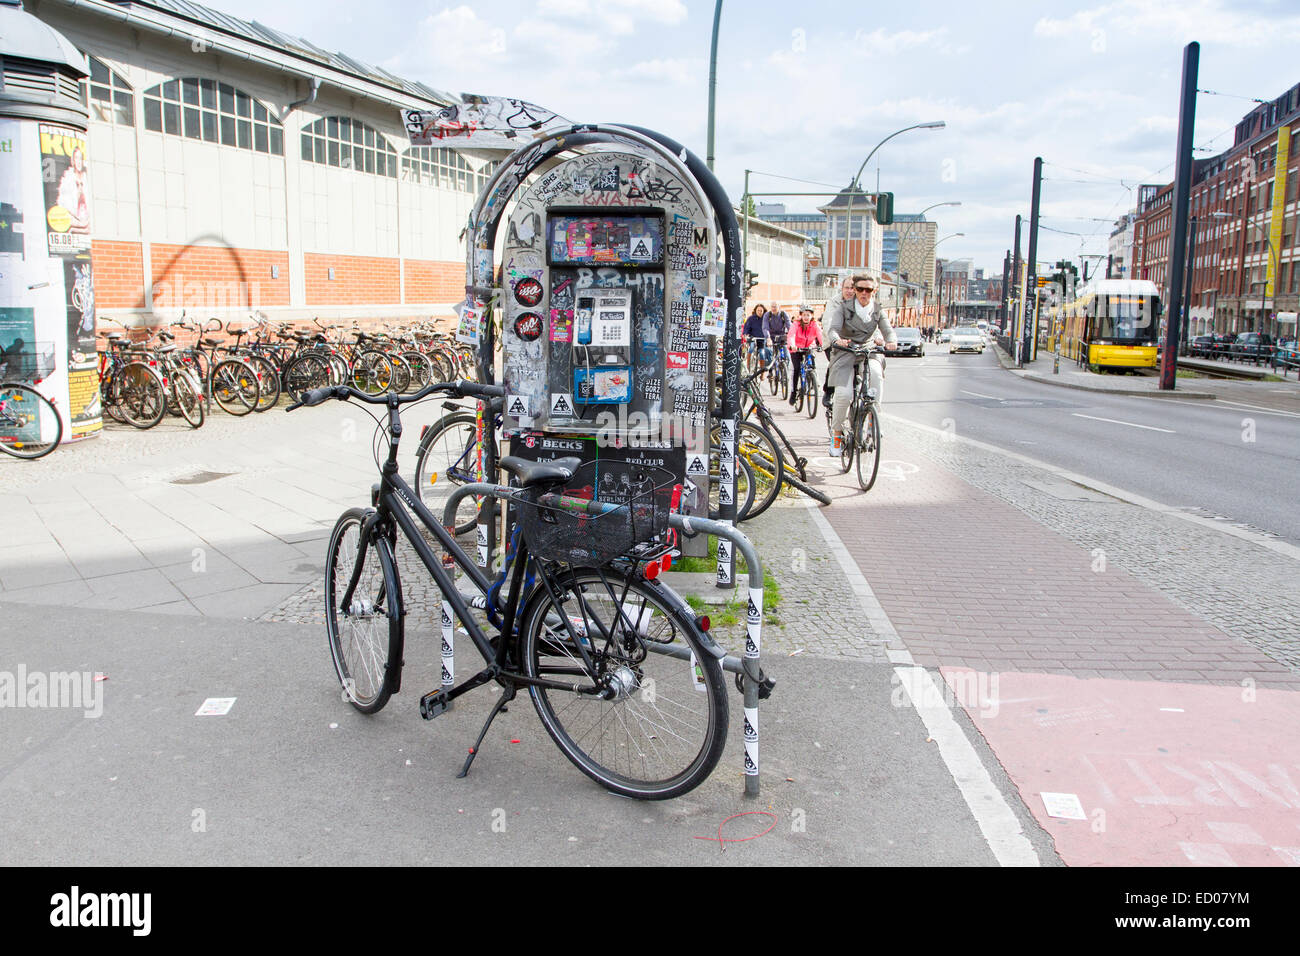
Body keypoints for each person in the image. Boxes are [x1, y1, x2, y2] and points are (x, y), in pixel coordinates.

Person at [824, 275, 896, 456]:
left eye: (869, 290)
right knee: (844, 394)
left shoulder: (878, 310)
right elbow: (832, 328)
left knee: (876, 374)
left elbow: (887, 329)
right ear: (855, 290)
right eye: (861, 289)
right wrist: (836, 340)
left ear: (874, 291)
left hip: (868, 351)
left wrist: (891, 341)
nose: (864, 293)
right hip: (846, 352)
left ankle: (873, 418)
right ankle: (837, 434)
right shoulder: (843, 308)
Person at [789, 305, 823, 405]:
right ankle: (794, 392)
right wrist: (792, 345)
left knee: (811, 362)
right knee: (797, 369)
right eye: (804, 315)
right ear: (801, 316)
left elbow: (820, 335)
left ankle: (813, 379)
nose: (806, 317)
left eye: (808, 315)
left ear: (811, 316)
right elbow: (791, 335)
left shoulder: (815, 325)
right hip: (796, 349)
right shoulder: (796, 324)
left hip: (809, 347)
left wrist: (823, 345)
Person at [742, 303, 769, 368]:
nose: (759, 312)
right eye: (758, 310)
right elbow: (746, 327)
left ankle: (762, 373)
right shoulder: (751, 318)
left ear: (764, 311)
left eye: (761, 310)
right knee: (751, 349)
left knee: (762, 354)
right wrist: (745, 334)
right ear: (755, 311)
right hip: (753, 338)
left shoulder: (766, 319)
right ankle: (748, 366)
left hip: (762, 339)